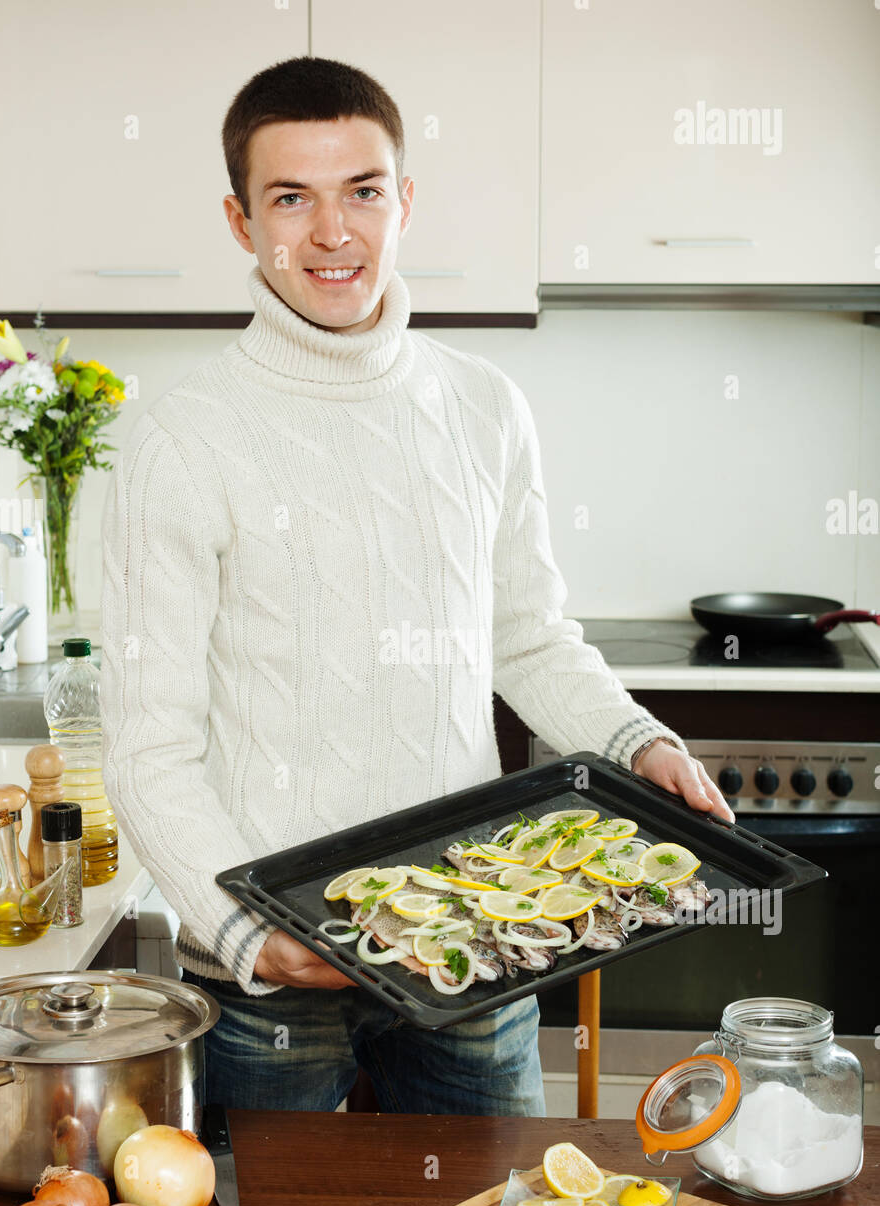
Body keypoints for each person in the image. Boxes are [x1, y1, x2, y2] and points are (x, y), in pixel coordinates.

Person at [100, 55, 733, 1117]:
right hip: (270, 975)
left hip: (476, 936)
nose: (331, 232)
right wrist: (247, 932)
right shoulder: (179, 439)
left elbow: (526, 637)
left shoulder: (482, 406)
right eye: (289, 197)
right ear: (238, 219)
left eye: (361, 190)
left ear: (405, 201)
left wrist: (637, 744)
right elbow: (147, 742)